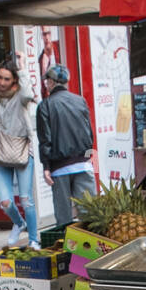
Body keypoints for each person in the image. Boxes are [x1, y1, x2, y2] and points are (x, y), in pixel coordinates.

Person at [0, 60, 39, 248]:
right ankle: (18, 223)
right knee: (6, 202)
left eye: (6, 79)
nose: (1, 82)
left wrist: (23, 68)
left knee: (26, 200)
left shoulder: (21, 97)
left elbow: (28, 93)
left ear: (14, 81)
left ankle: (34, 239)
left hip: (22, 151)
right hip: (1, 153)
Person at [35, 63, 95, 229]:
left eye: (47, 80)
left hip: (60, 167)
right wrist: (89, 158)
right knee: (91, 216)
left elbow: (45, 139)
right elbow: (89, 134)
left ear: (51, 82)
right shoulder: (80, 100)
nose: (46, 84)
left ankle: (67, 253)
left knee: (64, 219)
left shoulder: (45, 106)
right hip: (83, 164)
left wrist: (46, 166)